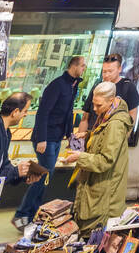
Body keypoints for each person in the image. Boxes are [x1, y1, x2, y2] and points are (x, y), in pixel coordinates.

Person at [13, 55, 86, 229]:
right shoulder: (57, 85)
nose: (84, 69)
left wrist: (69, 134)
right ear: (74, 66)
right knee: (43, 176)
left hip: (56, 138)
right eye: (83, 66)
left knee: (45, 177)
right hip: (46, 139)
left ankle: (32, 215)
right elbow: (43, 112)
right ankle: (22, 215)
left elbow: (68, 113)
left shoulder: (71, 86)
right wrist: (42, 138)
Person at [62, 83, 132, 235]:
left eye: (98, 105)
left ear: (111, 100)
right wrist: (88, 136)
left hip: (104, 199)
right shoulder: (107, 117)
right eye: (93, 104)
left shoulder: (115, 125)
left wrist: (80, 157)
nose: (94, 109)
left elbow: (106, 160)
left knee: (94, 243)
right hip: (97, 194)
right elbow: (104, 142)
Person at [76, 52, 139, 139]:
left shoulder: (127, 87)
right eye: (104, 71)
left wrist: (122, 140)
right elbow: (85, 117)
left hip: (112, 139)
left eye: (110, 71)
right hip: (91, 137)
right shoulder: (97, 85)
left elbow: (132, 118)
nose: (106, 75)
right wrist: (79, 142)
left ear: (119, 69)